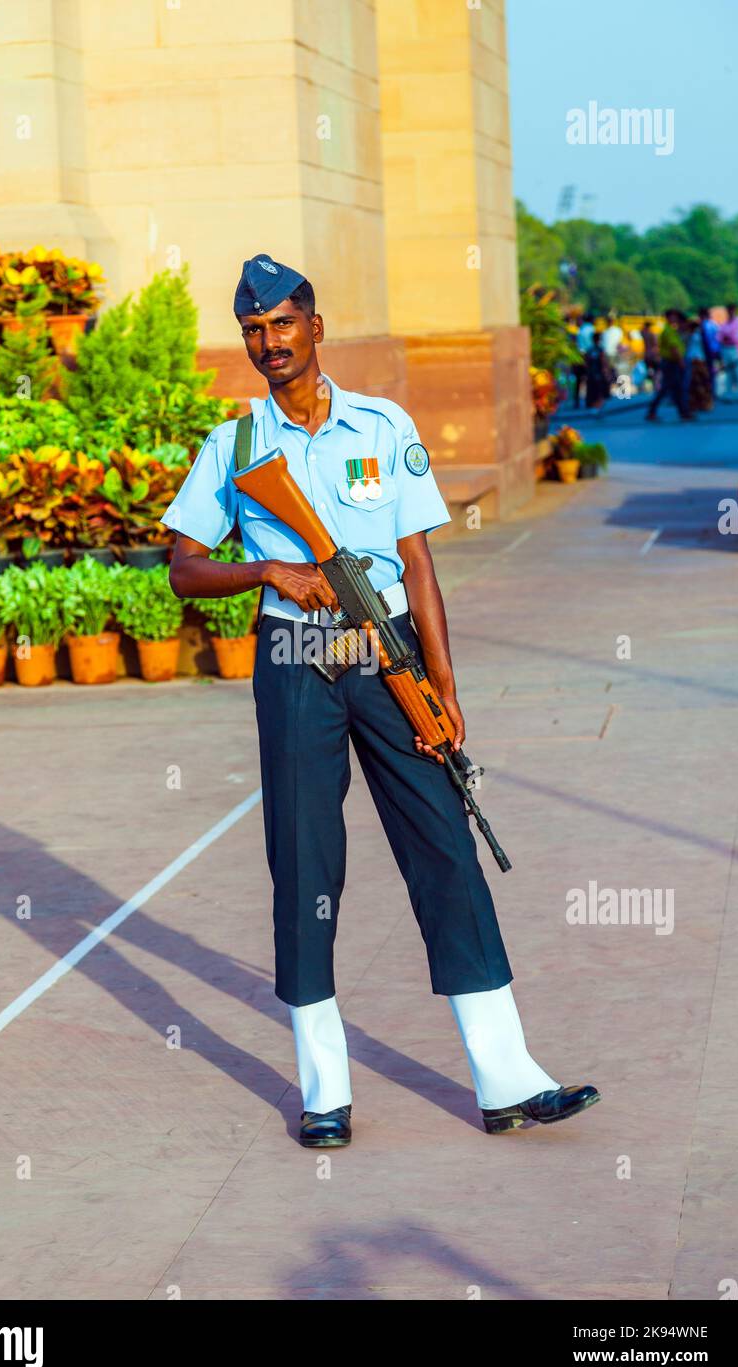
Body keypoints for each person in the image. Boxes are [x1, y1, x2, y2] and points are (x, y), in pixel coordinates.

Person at [161, 252, 600, 1148]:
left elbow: (418, 561)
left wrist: (442, 684)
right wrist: (268, 568)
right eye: (253, 330)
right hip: (294, 659)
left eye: (282, 324)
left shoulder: (383, 424)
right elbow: (182, 568)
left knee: (446, 847)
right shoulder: (235, 446)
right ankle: (325, 1089)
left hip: (388, 654)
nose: (268, 342)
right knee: (306, 866)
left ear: (316, 328)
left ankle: (508, 1075)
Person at [645, 309, 694, 421]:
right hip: (671, 363)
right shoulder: (668, 331)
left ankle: (683, 412)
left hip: (671, 362)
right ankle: (682, 412)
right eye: (674, 316)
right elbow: (674, 349)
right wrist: (681, 362)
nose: (676, 319)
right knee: (669, 388)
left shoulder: (670, 330)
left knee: (674, 388)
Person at [717, 304, 738, 400]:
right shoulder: (725, 323)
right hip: (726, 348)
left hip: (735, 349)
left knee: (737, 371)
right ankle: (729, 393)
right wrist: (724, 338)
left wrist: (728, 337)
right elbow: (719, 335)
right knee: (728, 372)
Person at [685, 318, 713, 413]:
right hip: (693, 360)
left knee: (701, 383)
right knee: (695, 384)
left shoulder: (697, 335)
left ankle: (703, 404)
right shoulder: (690, 335)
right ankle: (696, 404)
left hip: (699, 360)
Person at [572, 312, 595, 407]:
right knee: (589, 379)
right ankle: (589, 401)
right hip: (588, 356)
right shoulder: (590, 328)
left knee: (578, 380)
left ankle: (576, 401)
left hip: (579, 356)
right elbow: (591, 345)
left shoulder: (580, 329)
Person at [584, 330, 611, 411]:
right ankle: (598, 406)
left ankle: (592, 405)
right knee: (599, 391)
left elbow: (586, 362)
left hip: (591, 373)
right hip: (598, 373)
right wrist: (606, 372)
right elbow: (603, 362)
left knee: (592, 390)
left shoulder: (589, 350)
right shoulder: (600, 350)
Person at [698, 307, 720, 397]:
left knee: (708, 372)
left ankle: (710, 392)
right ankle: (711, 391)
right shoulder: (713, 325)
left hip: (706, 352)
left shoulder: (706, 325)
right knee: (710, 372)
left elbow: (709, 340)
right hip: (710, 351)